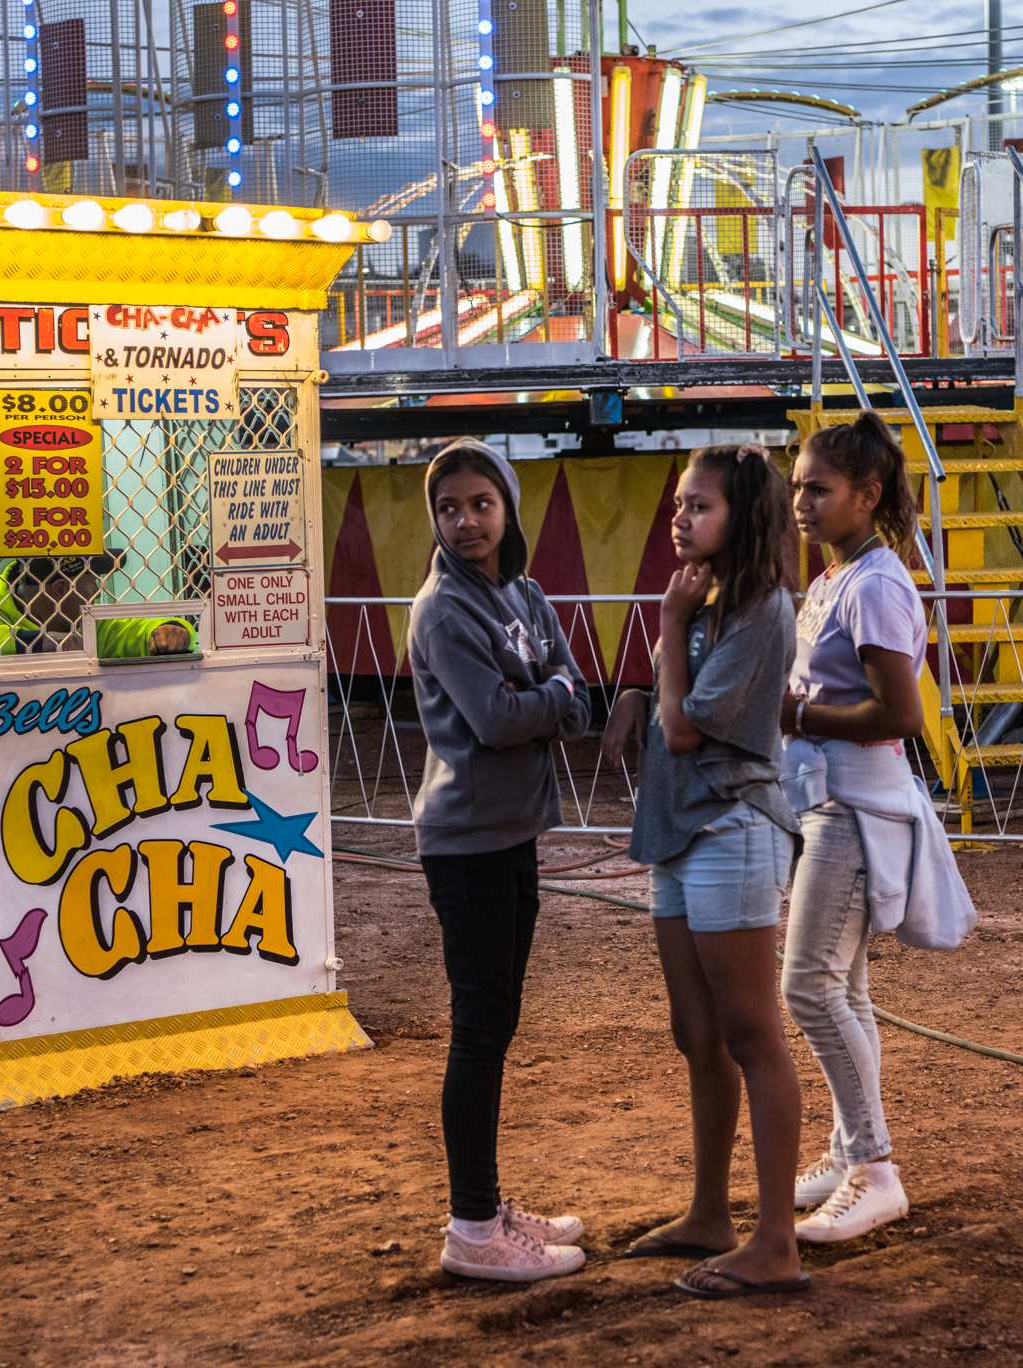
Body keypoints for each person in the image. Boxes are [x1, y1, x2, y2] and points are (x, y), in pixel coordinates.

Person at [602, 443, 810, 1299]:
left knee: (751, 1032)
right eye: (680, 504)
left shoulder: (759, 608)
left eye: (699, 507)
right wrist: (647, 690)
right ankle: (709, 1214)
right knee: (697, 1032)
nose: (680, 518)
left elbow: (691, 732)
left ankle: (776, 1240)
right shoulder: (715, 600)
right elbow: (675, 710)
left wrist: (665, 635)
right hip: (683, 829)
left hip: (730, 824)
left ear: (743, 516)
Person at [779, 411, 967, 1243]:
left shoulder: (877, 584)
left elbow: (899, 711)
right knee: (842, 988)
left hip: (857, 807)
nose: (802, 504)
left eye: (818, 489)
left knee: (809, 986)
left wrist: (795, 712)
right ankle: (849, 1150)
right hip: (832, 802)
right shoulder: (834, 580)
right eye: (796, 490)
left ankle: (876, 1167)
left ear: (868, 494)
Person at [408, 437, 593, 1283]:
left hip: (512, 832)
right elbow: (494, 717)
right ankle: (473, 1229)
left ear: (508, 505)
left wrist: (548, 699)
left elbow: (575, 701)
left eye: (481, 503)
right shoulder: (444, 610)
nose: (466, 521)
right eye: (449, 508)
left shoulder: (521, 592)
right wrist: (548, 698)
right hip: (467, 844)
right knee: (480, 1032)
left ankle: (484, 1203)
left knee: (497, 1024)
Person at [0, 551, 194, 657]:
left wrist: (170, 629)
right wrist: (38, 643)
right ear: (61, 590)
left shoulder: (86, 624)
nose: (98, 589)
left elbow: (129, 631)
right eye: (92, 578)